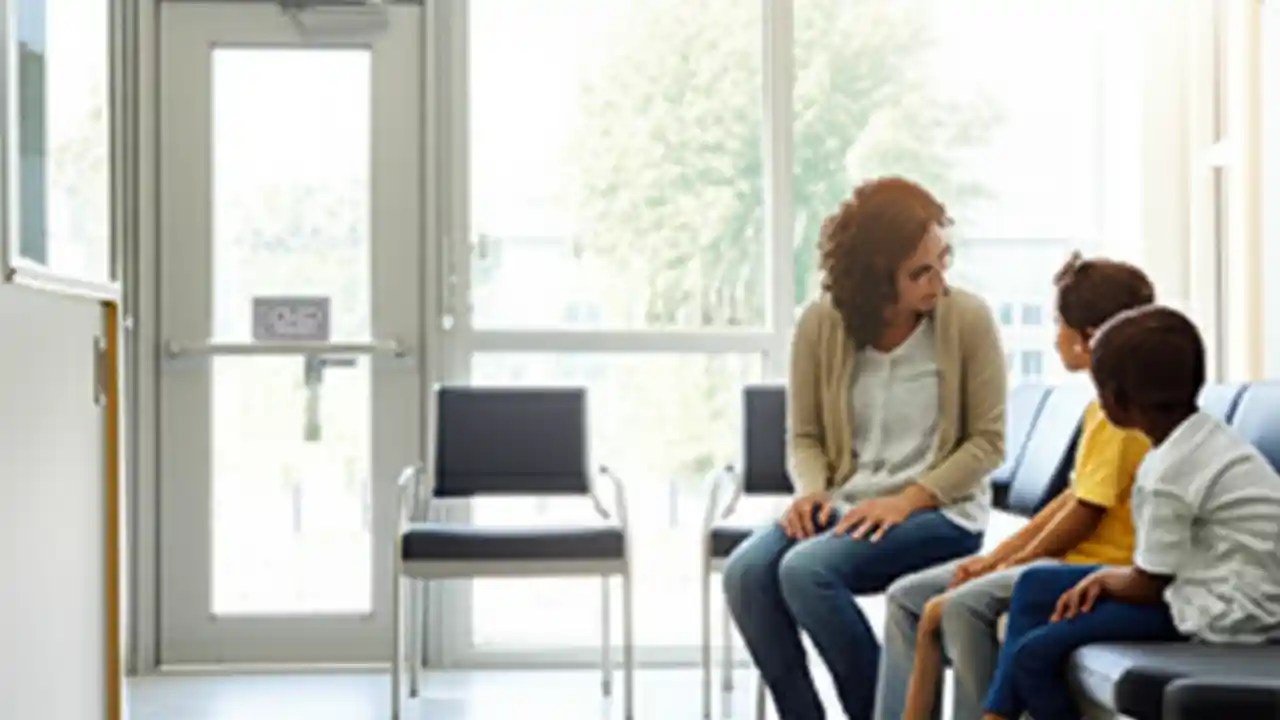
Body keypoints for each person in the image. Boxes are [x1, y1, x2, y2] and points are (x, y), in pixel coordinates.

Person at [721, 177, 1006, 720]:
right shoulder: (821, 323)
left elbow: (987, 444)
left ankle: (885, 713)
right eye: (920, 272)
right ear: (877, 280)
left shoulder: (967, 319)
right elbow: (804, 436)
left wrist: (906, 502)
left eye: (943, 260)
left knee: (805, 571)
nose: (938, 282)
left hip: (938, 512)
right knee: (745, 573)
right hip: (846, 506)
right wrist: (811, 493)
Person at [876, 255, 1155, 720]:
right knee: (906, 597)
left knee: (963, 609)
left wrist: (1010, 564)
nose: (1053, 336)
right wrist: (996, 559)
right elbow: (1069, 500)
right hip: (1059, 560)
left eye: (1058, 323)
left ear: (1090, 338)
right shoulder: (1100, 409)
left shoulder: (1122, 419)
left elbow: (1083, 514)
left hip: (1088, 569)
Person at [982, 305, 1280, 720]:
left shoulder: (1167, 471)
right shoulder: (1208, 437)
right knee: (1034, 584)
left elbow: (1148, 584)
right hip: (1207, 585)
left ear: (1117, 400)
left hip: (1225, 615)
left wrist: (1103, 579)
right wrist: (1103, 579)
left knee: (1034, 656)